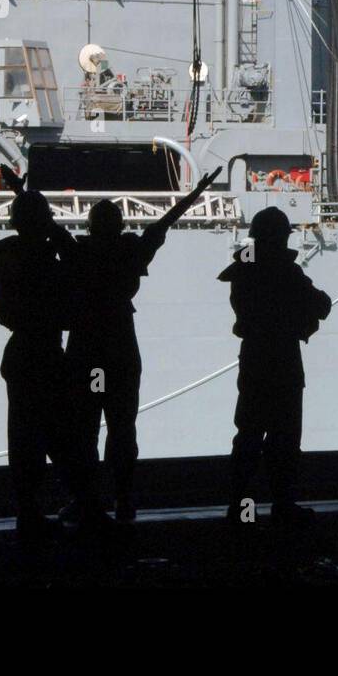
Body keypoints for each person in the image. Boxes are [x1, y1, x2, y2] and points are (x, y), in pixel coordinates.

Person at [57, 168, 220, 523]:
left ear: (90, 226)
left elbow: (48, 227)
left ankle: (87, 500)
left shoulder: (78, 254)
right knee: (122, 427)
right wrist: (196, 194)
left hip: (86, 347)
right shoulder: (131, 253)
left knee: (84, 430)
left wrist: (20, 192)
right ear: (118, 226)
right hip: (120, 346)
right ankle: (124, 498)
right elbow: (163, 225)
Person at [0, 182, 95, 545]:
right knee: (62, 437)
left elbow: (5, 313)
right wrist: (53, 229)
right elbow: (80, 264)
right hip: (47, 352)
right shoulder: (52, 260)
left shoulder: (6, 259)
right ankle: (79, 503)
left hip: (23, 354)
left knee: (26, 439)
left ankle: (30, 511)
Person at [221, 207, 332, 527]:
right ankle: (283, 506)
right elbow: (321, 305)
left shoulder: (242, 272)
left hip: (254, 359)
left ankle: (241, 510)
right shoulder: (286, 272)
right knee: (284, 438)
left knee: (248, 436)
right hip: (283, 359)